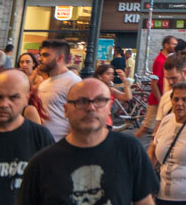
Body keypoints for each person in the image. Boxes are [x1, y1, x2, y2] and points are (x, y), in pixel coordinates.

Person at [17, 77, 157, 205]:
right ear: (65, 110)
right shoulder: (42, 163)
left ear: (109, 108)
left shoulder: (130, 149)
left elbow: (144, 201)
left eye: (99, 101)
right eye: (81, 102)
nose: (91, 108)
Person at [0, 69, 54, 205]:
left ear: (26, 99)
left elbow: (52, 185)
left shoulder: (40, 137)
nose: (4, 104)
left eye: (13, 97)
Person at [35, 39, 82, 142]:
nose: (40, 59)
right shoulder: (44, 84)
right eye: (40, 55)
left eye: (46, 55)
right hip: (41, 144)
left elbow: (80, 119)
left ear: (60, 58)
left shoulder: (74, 82)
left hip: (61, 145)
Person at [135, 34, 176, 139]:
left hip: (162, 98)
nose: (175, 46)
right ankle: (129, 146)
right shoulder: (159, 60)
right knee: (146, 126)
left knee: (159, 127)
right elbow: (154, 82)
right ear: (166, 45)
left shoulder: (165, 59)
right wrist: (161, 100)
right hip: (157, 100)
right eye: (173, 44)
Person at [93, 62, 132, 128]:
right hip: (95, 122)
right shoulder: (93, 88)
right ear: (99, 76)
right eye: (108, 74)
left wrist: (124, 80)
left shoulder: (111, 90)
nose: (111, 76)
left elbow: (128, 97)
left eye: (112, 74)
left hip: (107, 123)